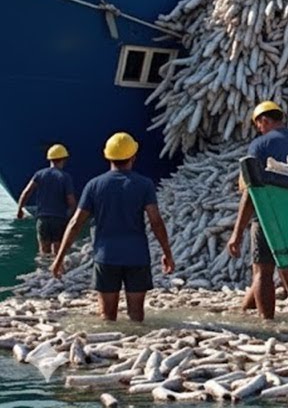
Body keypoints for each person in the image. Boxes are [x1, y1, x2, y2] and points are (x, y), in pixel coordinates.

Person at [51, 132, 175, 322]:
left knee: (107, 317)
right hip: (137, 257)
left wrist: (59, 258)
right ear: (133, 156)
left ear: (107, 156)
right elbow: (156, 221)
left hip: (105, 257)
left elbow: (76, 223)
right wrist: (167, 252)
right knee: (137, 316)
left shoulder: (94, 185)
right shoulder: (144, 185)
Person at [228, 100, 288, 320]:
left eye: (258, 124)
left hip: (267, 215)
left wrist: (237, 233)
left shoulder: (260, 144)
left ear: (264, 120)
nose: (258, 129)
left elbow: (250, 190)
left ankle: (266, 322)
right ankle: (245, 310)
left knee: (262, 271)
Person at [15, 144, 77, 256]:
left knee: (43, 253)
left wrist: (20, 210)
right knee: (57, 252)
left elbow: (26, 192)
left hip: (42, 219)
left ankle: (41, 272)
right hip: (59, 219)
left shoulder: (39, 174)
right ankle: (57, 272)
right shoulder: (65, 177)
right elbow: (71, 201)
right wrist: (72, 217)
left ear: (49, 159)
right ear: (64, 159)